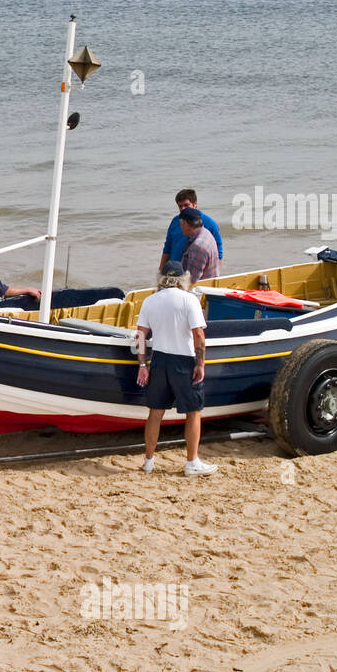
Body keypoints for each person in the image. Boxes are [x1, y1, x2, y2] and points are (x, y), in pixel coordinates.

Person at [134, 261, 218, 477]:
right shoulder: (189, 300)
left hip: (160, 360)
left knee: (155, 411)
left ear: (161, 279)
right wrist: (200, 364)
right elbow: (198, 335)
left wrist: (143, 365)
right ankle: (192, 463)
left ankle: (149, 462)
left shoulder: (150, 301)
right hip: (184, 360)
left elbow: (141, 336)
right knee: (193, 412)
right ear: (183, 279)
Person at [160, 189, 223, 273]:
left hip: (197, 273)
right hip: (174, 271)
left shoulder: (209, 224)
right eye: (180, 206)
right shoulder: (175, 221)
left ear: (195, 204)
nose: (183, 209)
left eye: (186, 205)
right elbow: (167, 248)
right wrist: (160, 271)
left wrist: (215, 277)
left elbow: (218, 253)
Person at [178, 209, 220, 283]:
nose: (180, 227)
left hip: (202, 290)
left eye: (180, 223)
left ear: (185, 224)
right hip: (211, 283)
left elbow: (191, 280)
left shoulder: (198, 247)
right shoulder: (206, 233)